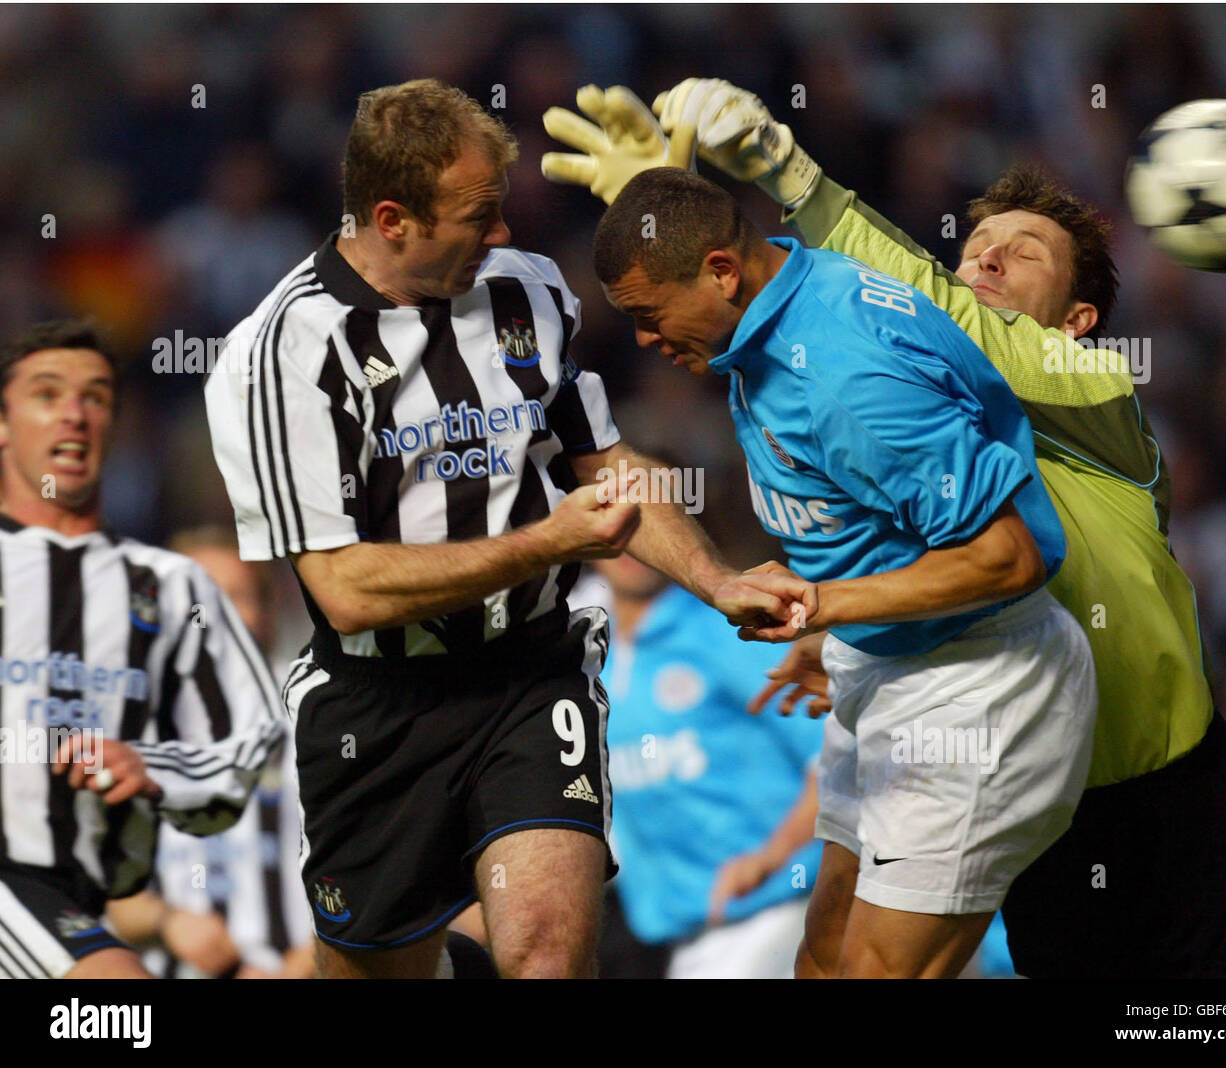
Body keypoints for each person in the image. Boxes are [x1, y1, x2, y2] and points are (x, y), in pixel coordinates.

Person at [544, 79, 1226, 978]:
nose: (979, 268)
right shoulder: (907, 380)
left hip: (1177, 811)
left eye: (1020, 257)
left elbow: (937, 318)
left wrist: (789, 180)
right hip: (1045, 807)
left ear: (1080, 322)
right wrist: (672, 213)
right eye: (973, 252)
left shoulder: (1094, 397)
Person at [203, 78, 812, 980]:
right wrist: (548, 542)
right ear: (391, 218)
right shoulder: (281, 353)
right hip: (378, 708)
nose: (502, 235)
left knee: (547, 952)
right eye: (477, 216)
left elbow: (602, 466)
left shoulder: (528, 294)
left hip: (533, 673)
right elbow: (343, 587)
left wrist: (719, 583)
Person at [589, 166, 1097, 978]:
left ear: (722, 271)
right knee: (821, 963)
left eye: (648, 316)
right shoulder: (775, 320)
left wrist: (827, 605)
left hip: (977, 684)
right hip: (894, 665)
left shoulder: (844, 377)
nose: (645, 339)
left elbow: (1010, 552)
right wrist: (845, 633)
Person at [0, 317, 282, 979]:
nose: (74, 413)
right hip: (13, 883)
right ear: (3, 423)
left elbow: (250, 738)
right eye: (47, 393)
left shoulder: (172, 584)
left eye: (95, 397)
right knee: (121, 1006)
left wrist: (154, 765)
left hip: (89, 900)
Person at [580, 554, 822, 979]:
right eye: (621, 531)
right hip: (682, 939)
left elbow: (836, 758)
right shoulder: (582, 653)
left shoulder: (731, 629)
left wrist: (773, 856)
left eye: (647, 523)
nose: (635, 550)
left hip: (783, 912)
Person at [107, 526, 316, 979]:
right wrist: (168, 920)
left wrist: (301, 966)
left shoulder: (316, 714)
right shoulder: (126, 723)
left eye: (236, 596)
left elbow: (373, 868)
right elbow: (110, 890)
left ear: (268, 610)